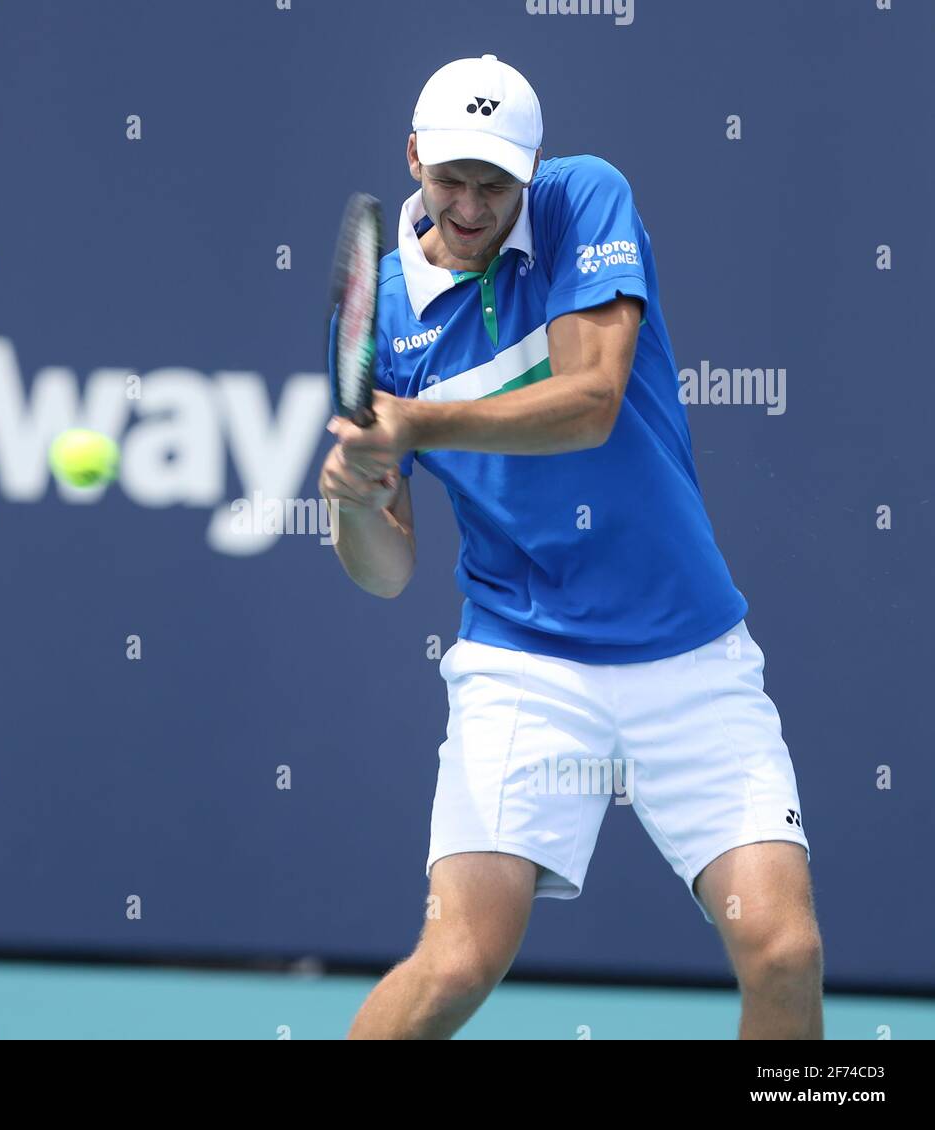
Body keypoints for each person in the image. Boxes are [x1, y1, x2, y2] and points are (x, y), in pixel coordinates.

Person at [321, 54, 822, 1040]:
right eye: (450, 179)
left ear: (532, 171)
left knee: (783, 950)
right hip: (523, 662)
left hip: (688, 652)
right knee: (457, 962)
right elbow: (387, 572)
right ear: (413, 157)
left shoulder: (583, 198)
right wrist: (353, 494)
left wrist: (413, 426)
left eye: (494, 184)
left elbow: (592, 403)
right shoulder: (378, 310)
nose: (469, 206)